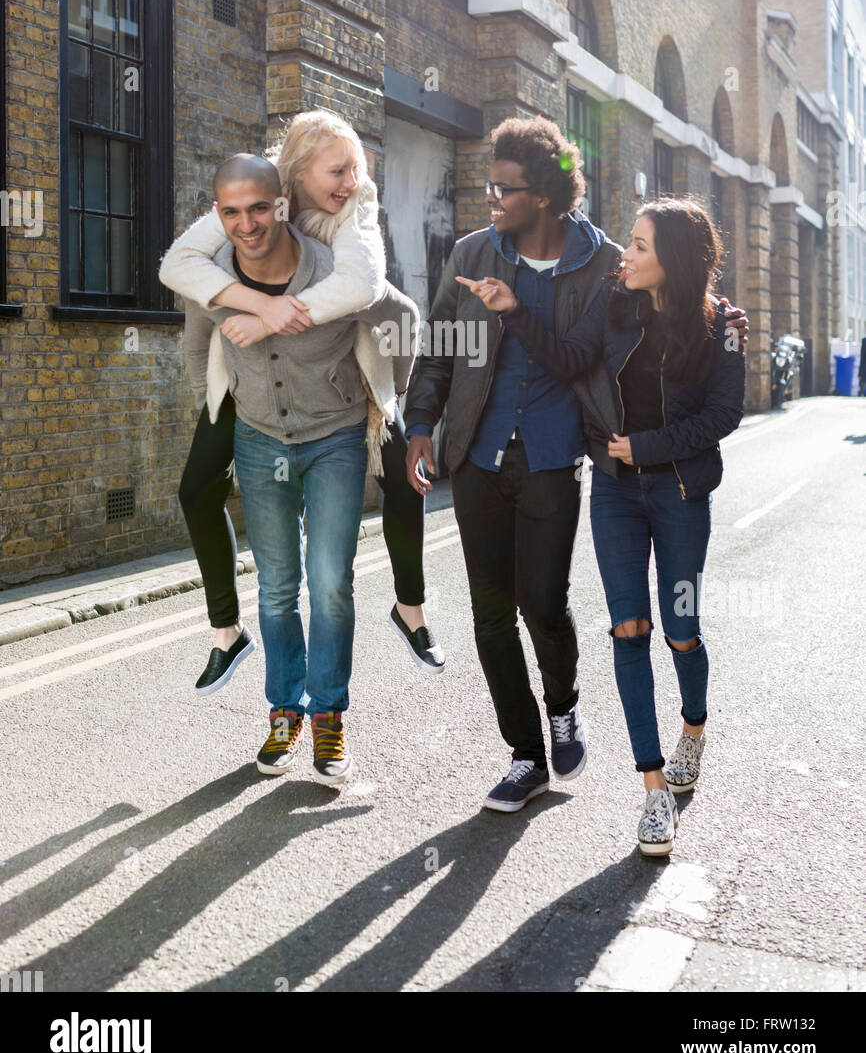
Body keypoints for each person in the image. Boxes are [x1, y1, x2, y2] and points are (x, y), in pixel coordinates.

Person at [404, 116, 747, 815]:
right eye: (490, 185)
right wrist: (418, 426)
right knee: (490, 612)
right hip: (476, 452)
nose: (491, 197)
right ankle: (526, 755)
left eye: (505, 187)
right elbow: (437, 347)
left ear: (548, 194)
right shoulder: (474, 253)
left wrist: (718, 317)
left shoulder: (608, 265)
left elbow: (666, 313)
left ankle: (564, 706)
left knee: (544, 602)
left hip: (558, 459)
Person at [160, 110, 443, 696]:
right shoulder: (252, 209)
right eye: (338, 170)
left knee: (399, 479)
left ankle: (408, 610)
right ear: (294, 179)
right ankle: (232, 639)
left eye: (357, 169)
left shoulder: (352, 219)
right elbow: (183, 286)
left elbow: (385, 302)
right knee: (202, 496)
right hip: (251, 402)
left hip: (343, 403)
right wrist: (218, 387)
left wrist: (391, 397)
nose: (354, 181)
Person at [181, 154, 418, 785]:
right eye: (230, 212)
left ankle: (329, 716)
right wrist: (219, 411)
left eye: (259, 207)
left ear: (282, 203)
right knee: (278, 587)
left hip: (334, 440)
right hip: (260, 444)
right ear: (218, 214)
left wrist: (384, 402)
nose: (247, 224)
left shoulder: (334, 271)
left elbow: (403, 320)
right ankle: (285, 709)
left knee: (331, 585)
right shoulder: (211, 277)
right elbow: (196, 344)